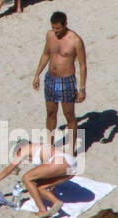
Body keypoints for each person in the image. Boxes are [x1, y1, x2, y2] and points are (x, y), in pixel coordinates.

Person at [0, 138, 78, 218]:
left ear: (20, 148)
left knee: (26, 178)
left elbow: (9, 169)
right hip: (72, 168)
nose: (25, 158)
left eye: (18, 153)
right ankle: (56, 201)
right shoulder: (39, 148)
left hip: (60, 161)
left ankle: (42, 210)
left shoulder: (25, 148)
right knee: (40, 187)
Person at [33, 12, 87, 146]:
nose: (56, 31)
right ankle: (49, 146)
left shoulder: (75, 41)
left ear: (65, 24)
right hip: (50, 79)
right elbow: (46, 54)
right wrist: (37, 74)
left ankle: (71, 149)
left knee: (69, 115)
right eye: (53, 28)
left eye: (58, 28)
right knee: (51, 113)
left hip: (66, 81)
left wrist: (82, 89)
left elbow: (82, 65)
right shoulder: (50, 35)